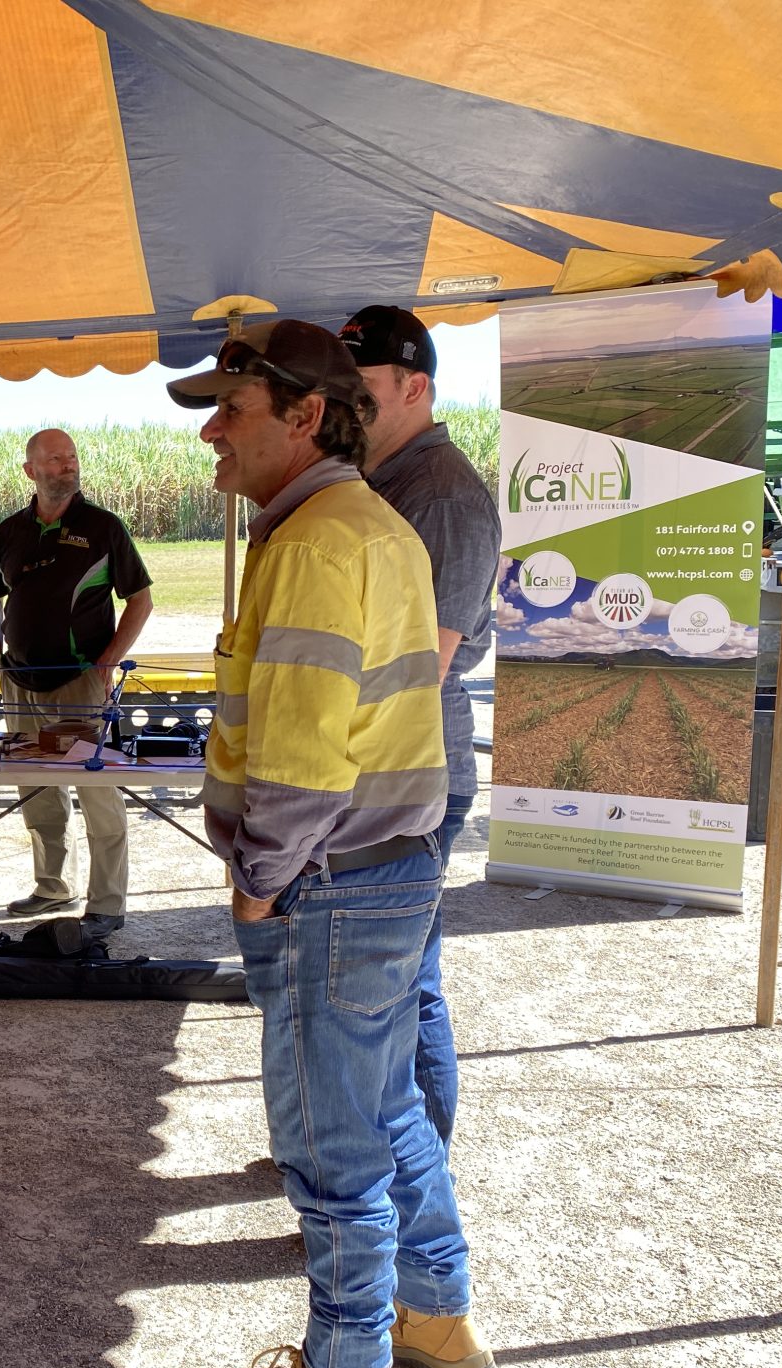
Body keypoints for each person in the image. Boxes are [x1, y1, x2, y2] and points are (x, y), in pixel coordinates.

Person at [170, 320, 494, 1368]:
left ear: (304, 415)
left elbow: (303, 758)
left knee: (328, 1145)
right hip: (384, 871)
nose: (211, 431)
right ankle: (433, 1316)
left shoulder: (315, 538)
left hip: (328, 880)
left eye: (232, 408)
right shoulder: (370, 521)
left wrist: (257, 884)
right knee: (389, 1108)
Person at [339, 305, 502, 1151]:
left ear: (416, 386)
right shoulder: (383, 480)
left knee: (405, 982)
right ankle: (368, 1151)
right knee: (384, 979)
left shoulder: (438, 494)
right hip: (386, 768)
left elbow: (420, 668)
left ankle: (418, 1173)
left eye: (365, 391)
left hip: (416, 771)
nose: (351, 409)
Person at [0, 429, 153, 935]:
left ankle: (106, 903)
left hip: (80, 681)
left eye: (72, 457)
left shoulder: (103, 528)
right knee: (36, 788)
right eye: (55, 460)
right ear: (31, 470)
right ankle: (52, 887)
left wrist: (107, 663)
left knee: (97, 789)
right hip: (21, 680)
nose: (67, 466)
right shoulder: (9, 531)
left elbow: (139, 599)